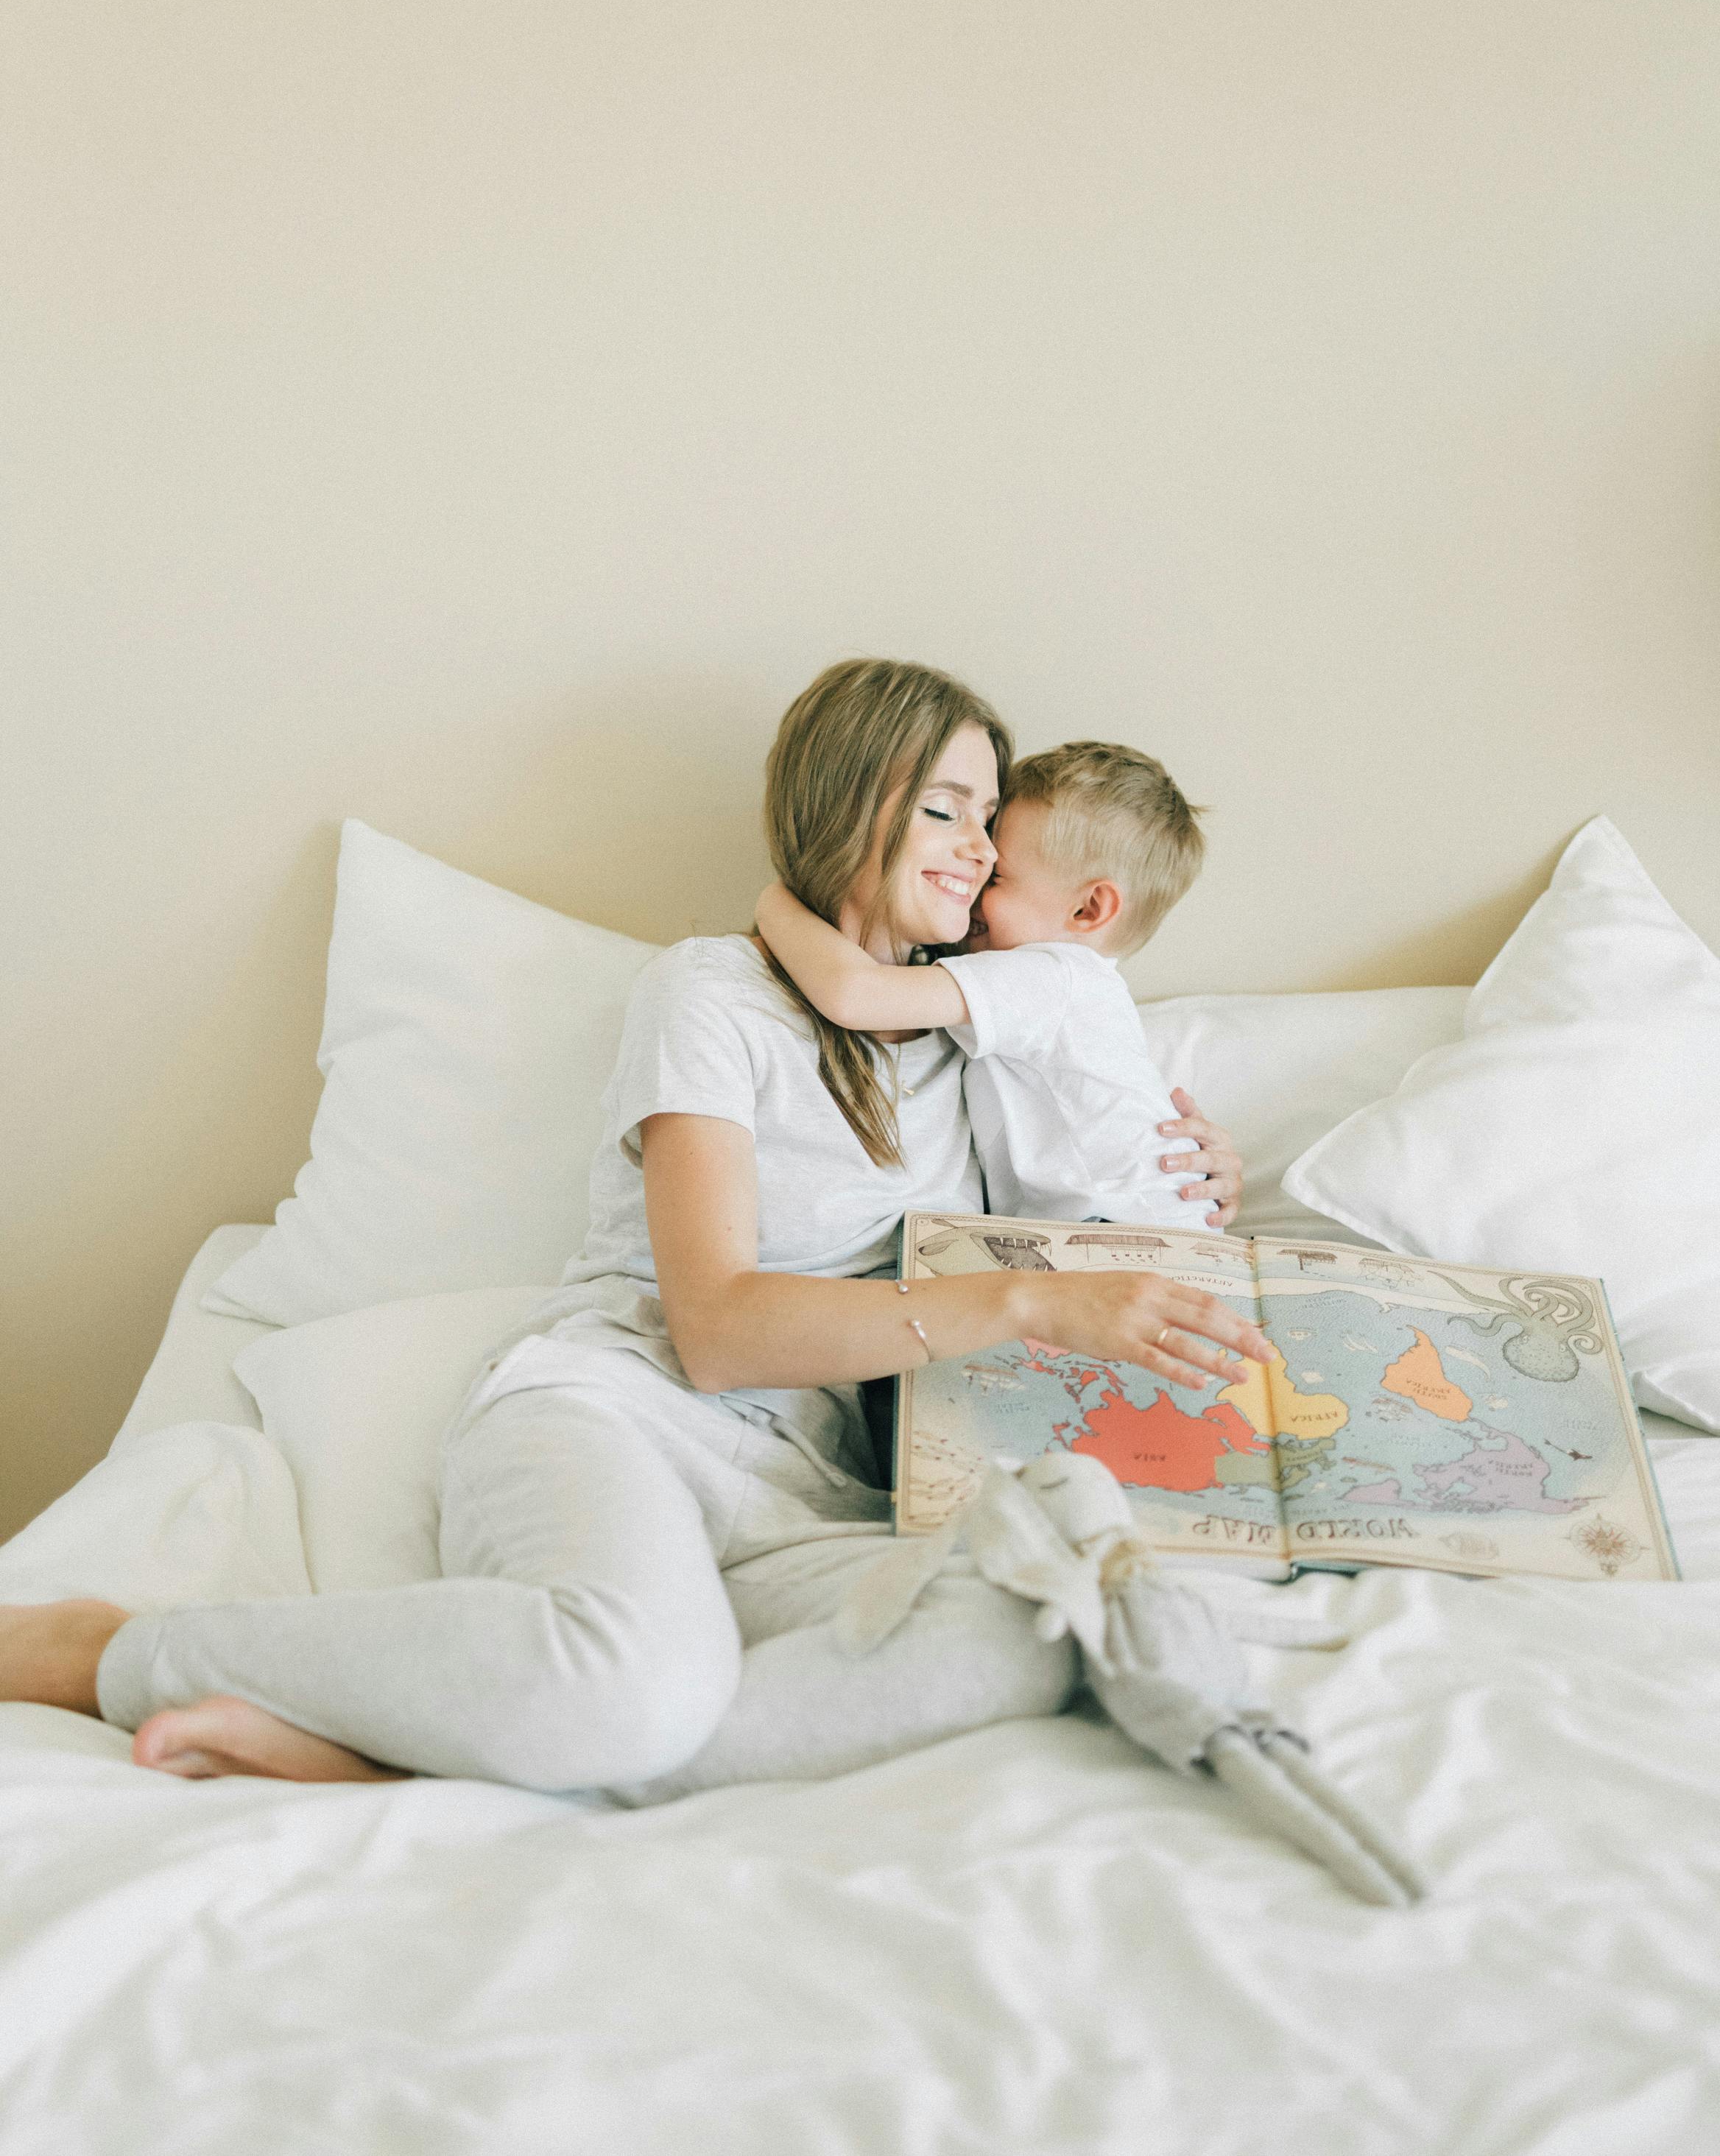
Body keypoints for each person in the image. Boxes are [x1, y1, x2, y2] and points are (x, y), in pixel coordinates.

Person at [0, 658, 1264, 1797]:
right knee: (625, 1687)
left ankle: (404, 1745)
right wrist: (1037, 1301)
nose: (982, 851)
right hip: (626, 1412)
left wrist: (1184, 1168)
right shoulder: (711, 995)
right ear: (848, 804)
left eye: (991, 820)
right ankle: (115, 1647)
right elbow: (713, 1330)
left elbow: (1080, 1162)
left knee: (1039, 1627)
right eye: (947, 808)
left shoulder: (982, 1049)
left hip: (815, 1490)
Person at [755, 736, 1219, 1229]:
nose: (973, 889)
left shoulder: (1051, 978)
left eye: (997, 879)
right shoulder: (1073, 988)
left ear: (1088, 910)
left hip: (1131, 1232)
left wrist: (775, 901)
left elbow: (855, 994)